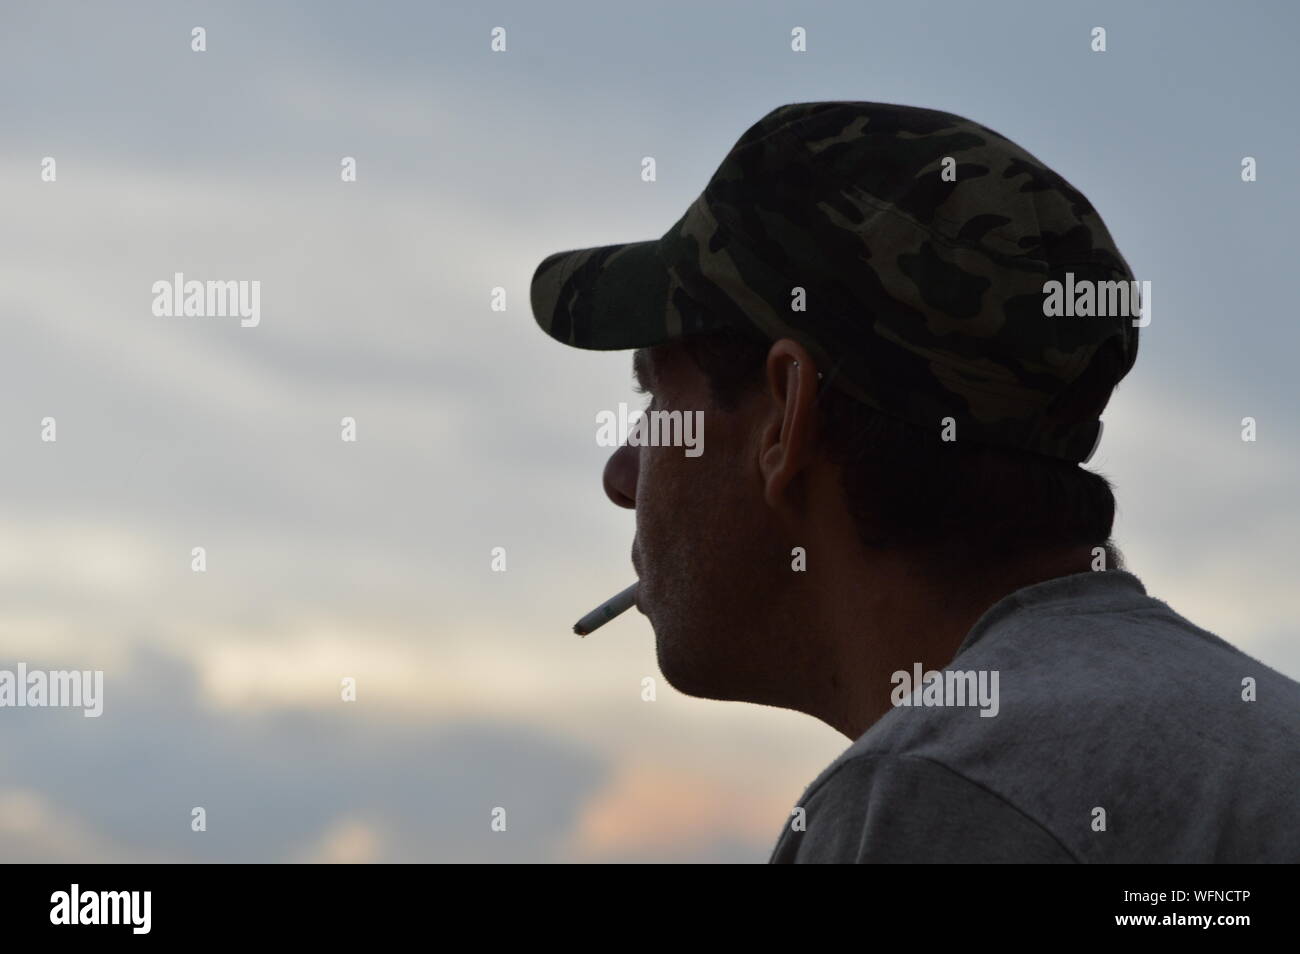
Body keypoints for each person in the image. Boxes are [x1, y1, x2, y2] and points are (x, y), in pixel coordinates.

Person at [529, 101, 1300, 862]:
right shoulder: (1259, 735)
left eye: (655, 400)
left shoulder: (938, 797)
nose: (622, 476)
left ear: (783, 418)